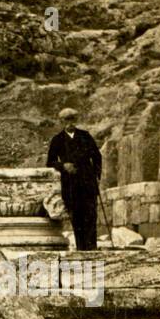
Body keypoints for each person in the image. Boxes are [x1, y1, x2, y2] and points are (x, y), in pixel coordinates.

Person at [47, 107, 103, 250]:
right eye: (66, 120)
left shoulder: (85, 136)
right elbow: (50, 162)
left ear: (76, 120)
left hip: (87, 181)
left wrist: (97, 175)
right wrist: (63, 166)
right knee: (76, 216)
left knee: (90, 214)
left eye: (72, 119)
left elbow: (96, 156)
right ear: (61, 122)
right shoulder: (57, 140)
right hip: (70, 184)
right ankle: (81, 248)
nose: (70, 123)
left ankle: (92, 248)